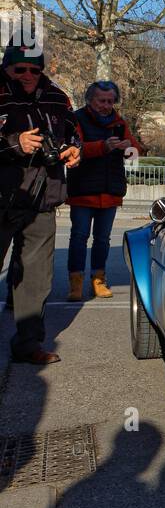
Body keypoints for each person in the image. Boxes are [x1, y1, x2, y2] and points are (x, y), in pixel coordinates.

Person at [0, 42, 80, 364]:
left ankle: (28, 344)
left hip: (43, 196)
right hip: (3, 195)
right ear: (6, 67)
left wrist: (74, 149)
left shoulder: (58, 96)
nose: (29, 75)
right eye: (20, 69)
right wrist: (13, 143)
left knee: (36, 277)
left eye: (35, 69)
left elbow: (74, 132)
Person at [65, 80, 144, 301]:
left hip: (110, 191)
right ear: (90, 100)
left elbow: (136, 152)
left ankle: (99, 279)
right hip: (83, 190)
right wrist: (102, 147)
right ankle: (76, 281)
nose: (106, 105)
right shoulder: (76, 119)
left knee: (103, 239)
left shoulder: (120, 123)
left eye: (110, 101)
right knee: (79, 237)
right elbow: (74, 148)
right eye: (102, 100)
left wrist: (130, 147)